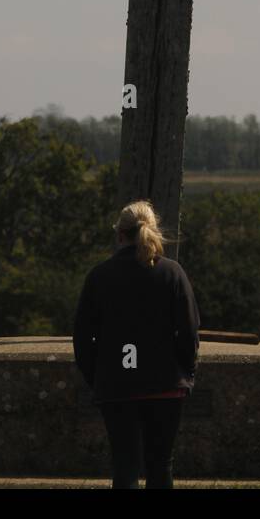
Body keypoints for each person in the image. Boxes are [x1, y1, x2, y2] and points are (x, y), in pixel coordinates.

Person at [72, 199, 200, 489]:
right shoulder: (173, 273)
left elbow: (82, 337)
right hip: (166, 385)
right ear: (152, 231)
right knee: (160, 465)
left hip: (116, 386)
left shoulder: (99, 276)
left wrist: (99, 378)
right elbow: (189, 331)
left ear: (119, 234)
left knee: (125, 466)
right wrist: (185, 372)